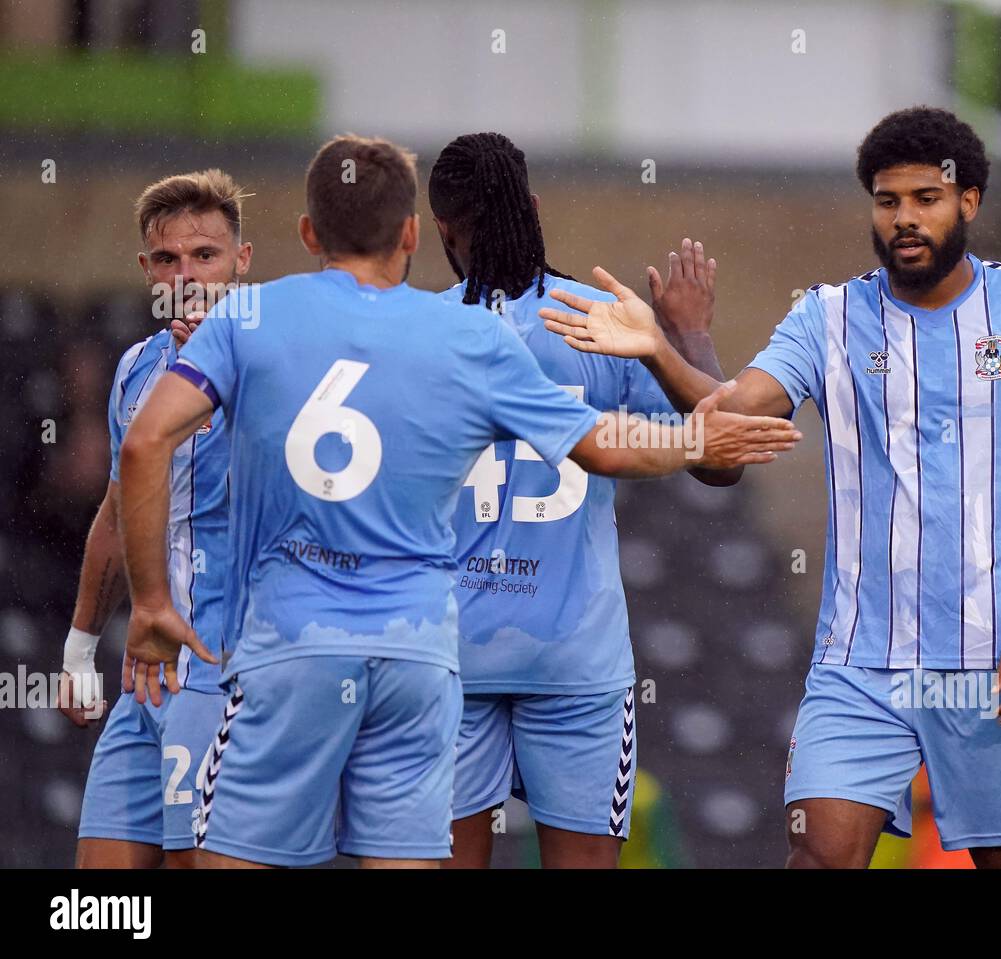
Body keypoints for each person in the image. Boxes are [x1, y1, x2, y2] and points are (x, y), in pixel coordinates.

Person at [116, 134, 800, 868]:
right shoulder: (580, 322)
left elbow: (150, 447)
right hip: (533, 655)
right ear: (411, 231)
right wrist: (684, 348)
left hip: (407, 648)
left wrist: (153, 599)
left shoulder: (368, 324)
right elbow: (630, 445)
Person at [540, 106, 1001, 868]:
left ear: (969, 201)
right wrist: (661, 347)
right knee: (816, 856)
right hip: (859, 668)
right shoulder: (828, 317)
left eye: (925, 198)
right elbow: (727, 435)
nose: (904, 219)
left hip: (993, 664)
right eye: (887, 201)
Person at [428, 132, 735, 868]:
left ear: (440, 228)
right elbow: (720, 461)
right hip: (573, 659)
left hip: (445, 655)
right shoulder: (601, 319)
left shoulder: (421, 329)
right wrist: (687, 335)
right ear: (533, 209)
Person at [64, 169, 252, 868]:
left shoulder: (275, 364)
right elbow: (116, 512)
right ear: (148, 270)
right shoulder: (135, 370)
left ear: (242, 260)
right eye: (169, 258)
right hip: (144, 676)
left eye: (206, 255)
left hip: (222, 675)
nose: (188, 273)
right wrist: (80, 647)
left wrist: (231, 369)